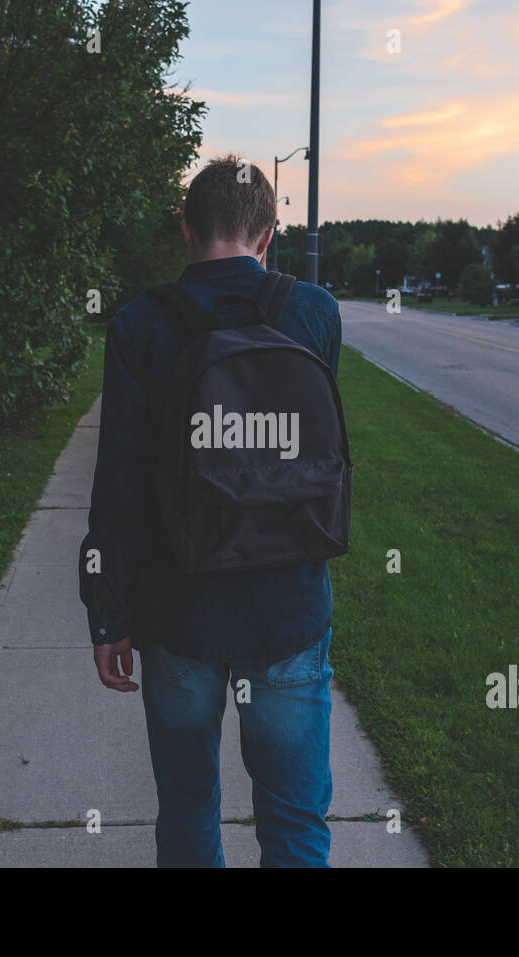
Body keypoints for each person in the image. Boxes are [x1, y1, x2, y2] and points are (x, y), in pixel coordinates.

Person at [78, 154, 343, 867]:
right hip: (287, 606)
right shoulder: (314, 313)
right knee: (294, 819)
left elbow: (120, 484)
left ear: (187, 229)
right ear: (268, 235)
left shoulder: (138, 326)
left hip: (178, 611)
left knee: (190, 806)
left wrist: (108, 611)